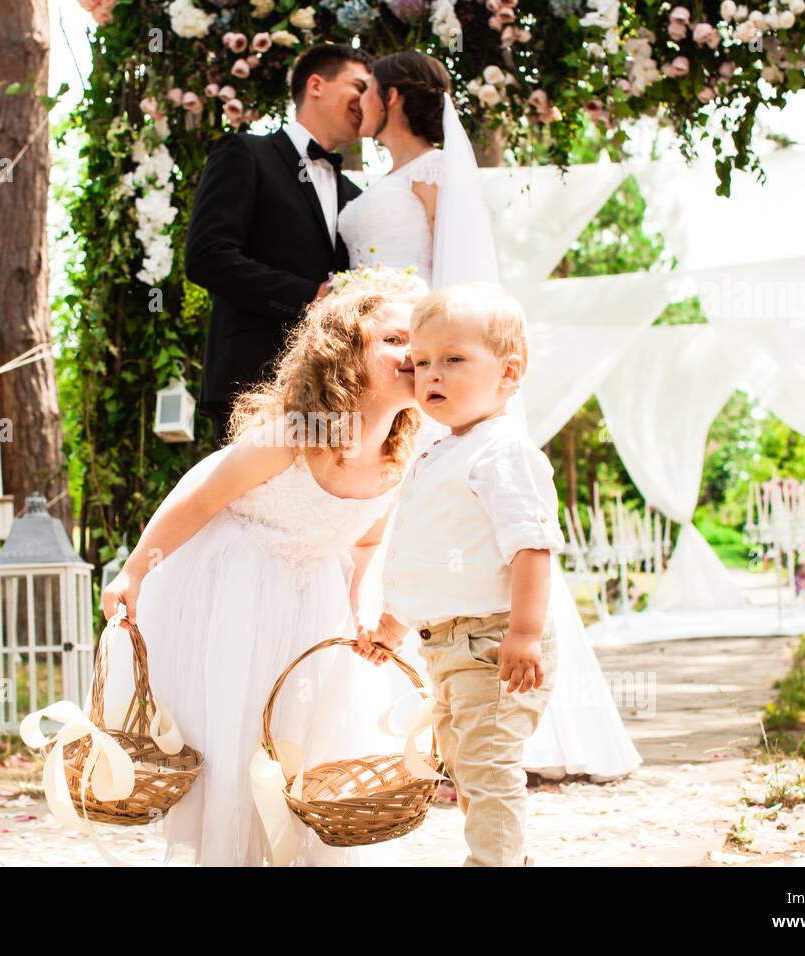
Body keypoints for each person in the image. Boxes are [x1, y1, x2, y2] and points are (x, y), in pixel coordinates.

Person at [341, 50, 641, 782]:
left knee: (469, 520)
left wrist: (439, 366)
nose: (359, 106)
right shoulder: (367, 183)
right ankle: (412, 720)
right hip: (378, 360)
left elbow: (459, 272)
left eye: (369, 92)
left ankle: (504, 695)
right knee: (405, 515)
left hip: (424, 359)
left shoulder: (439, 172)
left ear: (398, 97)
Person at [98, 272, 426, 866]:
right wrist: (135, 572)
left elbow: (368, 545)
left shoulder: (396, 460)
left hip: (313, 597)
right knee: (240, 729)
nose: (414, 354)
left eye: (419, 343)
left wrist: (362, 608)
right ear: (346, 354)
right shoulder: (298, 435)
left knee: (304, 737)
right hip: (239, 584)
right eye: (395, 340)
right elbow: (200, 496)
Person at [358, 283, 561, 867]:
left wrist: (524, 633)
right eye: (421, 363)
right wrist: (396, 623)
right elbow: (429, 553)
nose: (431, 375)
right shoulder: (439, 451)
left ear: (509, 372)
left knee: (490, 768)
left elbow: (532, 547)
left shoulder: (503, 452)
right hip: (448, 648)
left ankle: (493, 862)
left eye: (453, 359)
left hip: (494, 642)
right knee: (469, 767)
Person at [185, 43, 373, 448]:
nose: (366, 99)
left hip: (330, 391)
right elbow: (207, 257)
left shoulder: (357, 196)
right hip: (250, 381)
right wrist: (311, 295)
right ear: (316, 84)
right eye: (358, 85)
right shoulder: (245, 153)